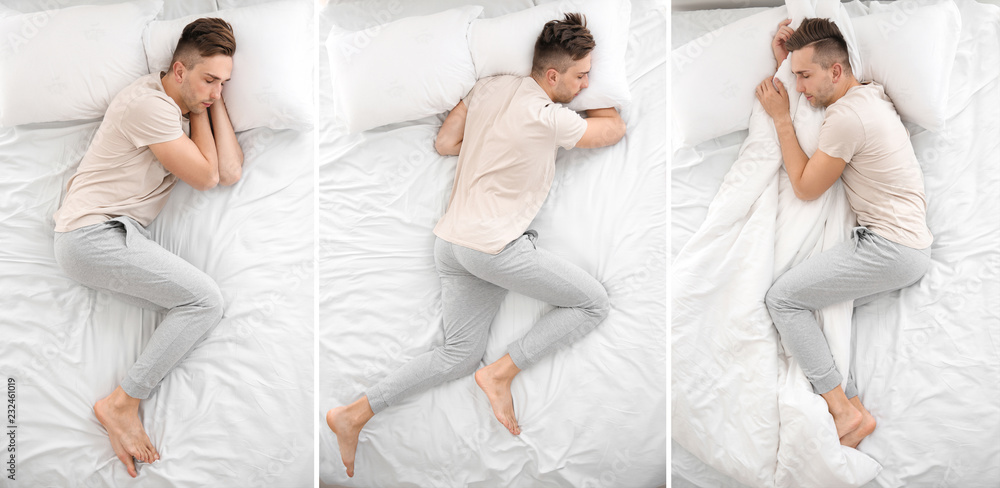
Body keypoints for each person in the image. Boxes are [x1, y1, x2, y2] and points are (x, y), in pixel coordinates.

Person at [326, 12, 626, 477]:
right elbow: (613, 129)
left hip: (451, 243)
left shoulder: (489, 86)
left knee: (456, 356)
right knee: (593, 304)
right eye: (581, 75)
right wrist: (601, 96)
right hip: (491, 247)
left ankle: (353, 414)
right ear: (552, 75)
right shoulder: (550, 117)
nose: (586, 84)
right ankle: (501, 372)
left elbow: (446, 142)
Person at [51, 18, 243, 478]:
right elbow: (206, 177)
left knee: (198, 307)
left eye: (224, 83)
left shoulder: (184, 105)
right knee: (205, 301)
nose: (217, 92)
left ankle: (122, 403)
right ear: (178, 69)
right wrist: (199, 108)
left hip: (111, 234)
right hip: (90, 234)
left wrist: (205, 100)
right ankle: (121, 402)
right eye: (209, 79)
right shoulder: (149, 105)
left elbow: (230, 172)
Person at [756, 18, 933, 448]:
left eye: (804, 76)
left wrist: (780, 119)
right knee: (825, 311)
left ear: (835, 71)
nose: (799, 87)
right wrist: (787, 65)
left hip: (891, 248)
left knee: (783, 300)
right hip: (904, 246)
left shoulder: (847, 118)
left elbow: (805, 188)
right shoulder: (869, 95)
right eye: (796, 77)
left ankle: (842, 410)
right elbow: (813, 95)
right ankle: (853, 407)